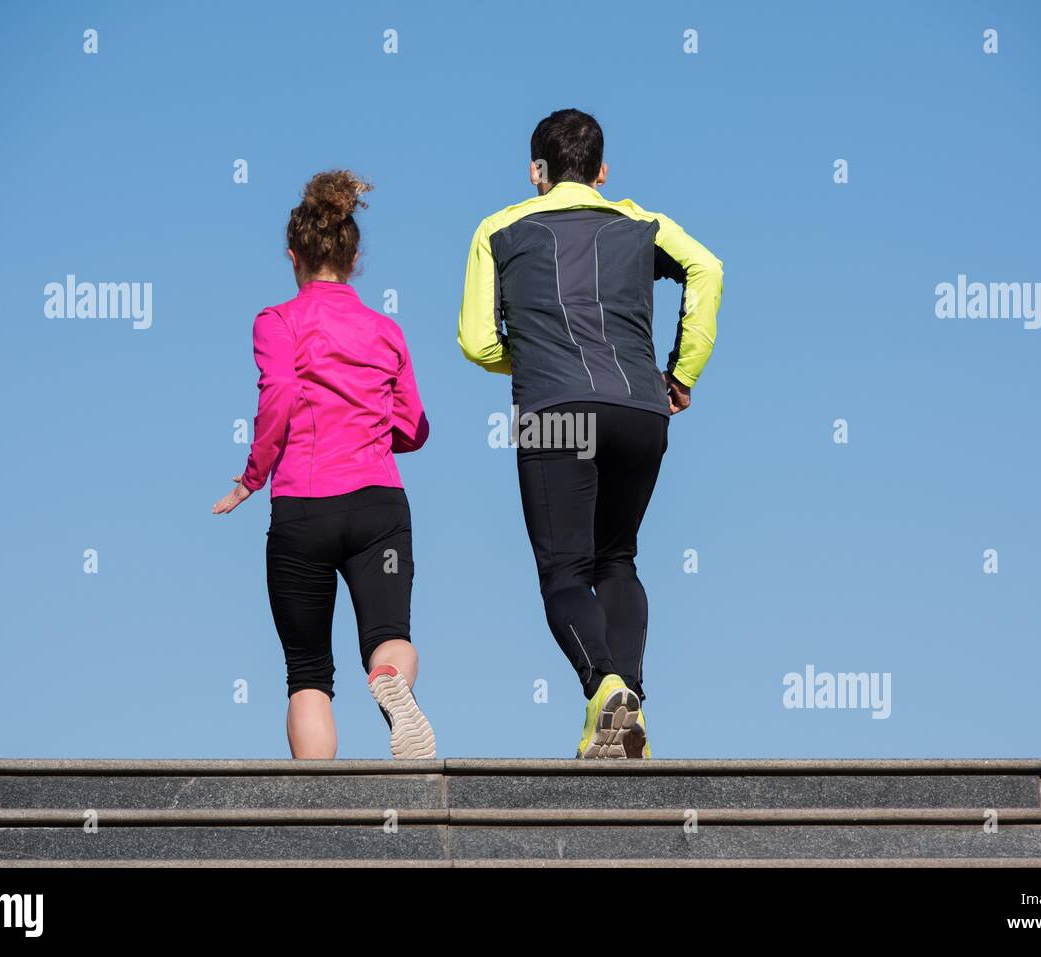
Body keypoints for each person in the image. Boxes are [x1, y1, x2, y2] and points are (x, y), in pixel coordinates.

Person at [457, 109, 723, 759]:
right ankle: (627, 704)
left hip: (556, 410)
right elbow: (708, 269)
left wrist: (532, 353)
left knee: (564, 573)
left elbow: (475, 340)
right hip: (640, 409)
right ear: (602, 172)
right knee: (619, 559)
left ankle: (602, 686)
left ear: (535, 172)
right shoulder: (641, 223)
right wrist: (681, 373)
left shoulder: (498, 229)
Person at [213, 170, 434, 761]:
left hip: (302, 510)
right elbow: (413, 425)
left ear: (294, 258)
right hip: (378, 508)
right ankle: (393, 688)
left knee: (308, 671)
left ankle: (319, 819)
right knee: (390, 638)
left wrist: (251, 477)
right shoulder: (386, 330)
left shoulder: (276, 321)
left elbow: (280, 394)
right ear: (354, 258)